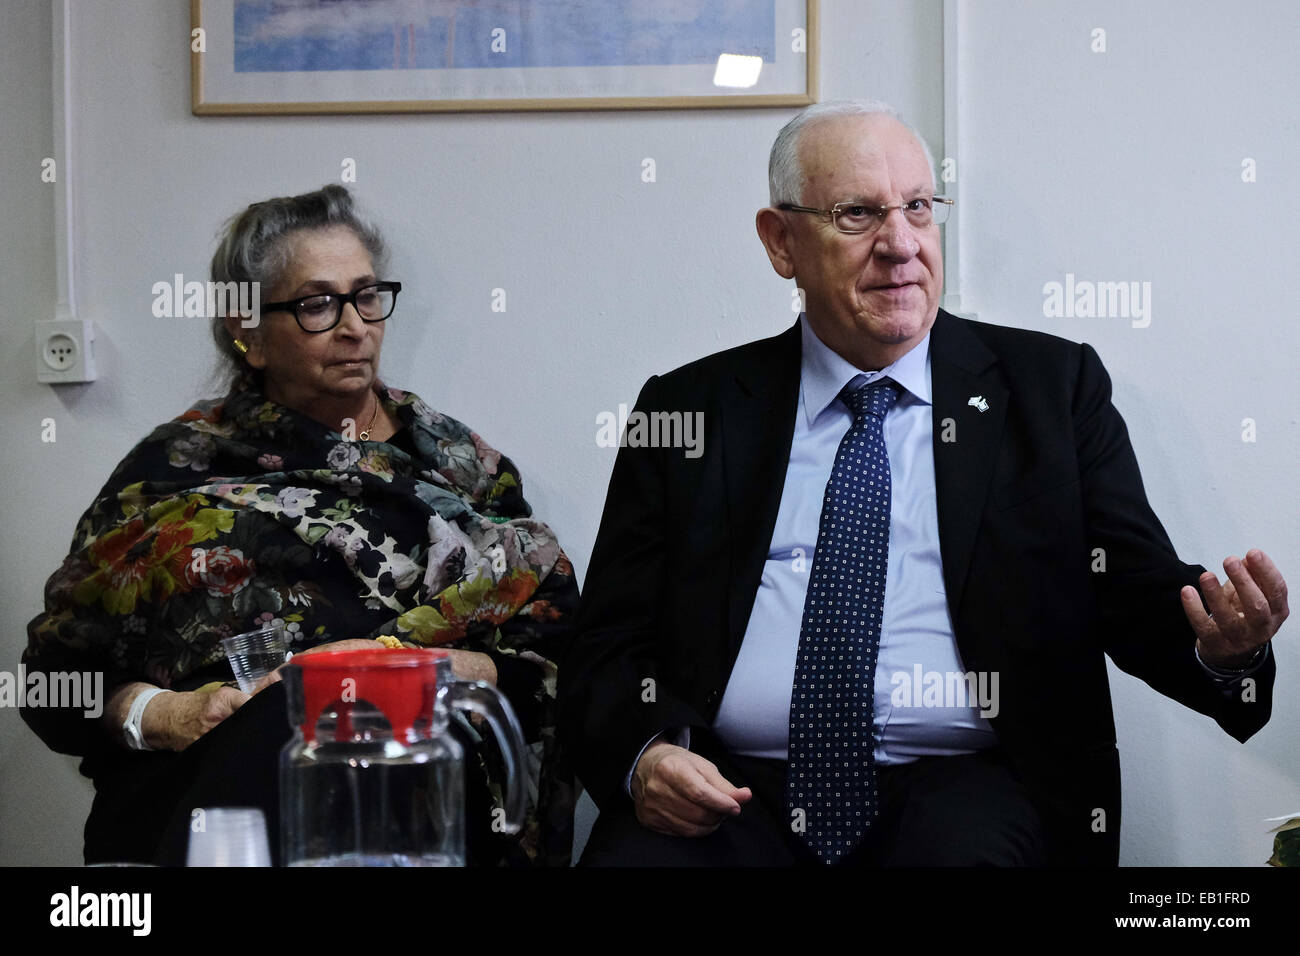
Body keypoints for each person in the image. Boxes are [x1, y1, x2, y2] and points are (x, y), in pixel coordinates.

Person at [560, 100, 1288, 866]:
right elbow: (608, 640)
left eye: (917, 208)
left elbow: (1136, 589)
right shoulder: (687, 409)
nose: (901, 245)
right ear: (781, 243)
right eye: (857, 214)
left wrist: (1226, 651)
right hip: (729, 788)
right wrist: (644, 757)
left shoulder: (1049, 389)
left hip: (967, 786)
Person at [23, 184, 578, 866]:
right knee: (276, 719)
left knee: (319, 714)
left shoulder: (461, 470)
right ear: (247, 332)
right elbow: (53, 683)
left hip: (417, 778)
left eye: (367, 296)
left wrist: (406, 669)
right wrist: (165, 715)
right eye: (318, 304)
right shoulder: (172, 471)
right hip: (210, 787)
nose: (356, 327)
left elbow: (554, 659)